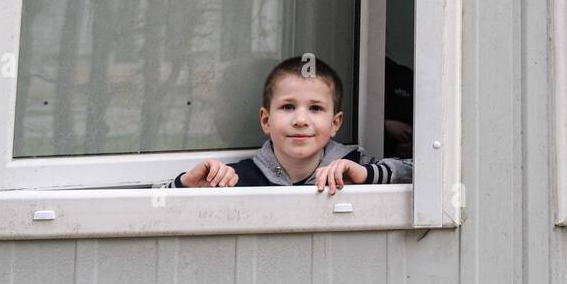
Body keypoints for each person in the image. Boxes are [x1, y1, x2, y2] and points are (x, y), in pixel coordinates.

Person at [163, 56, 412, 192]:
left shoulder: (353, 168)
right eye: (288, 107)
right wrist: (187, 184)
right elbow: (157, 200)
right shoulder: (238, 178)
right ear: (265, 120)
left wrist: (366, 175)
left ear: (335, 123)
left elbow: (424, 174)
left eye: (315, 108)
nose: (301, 120)